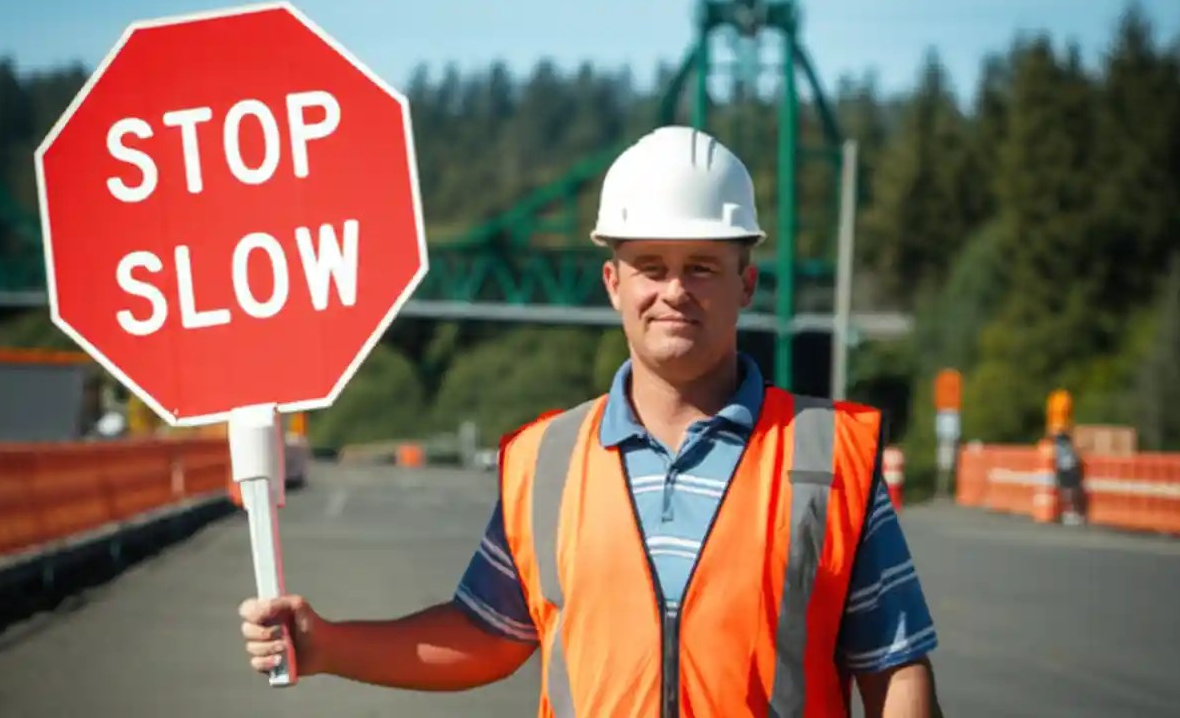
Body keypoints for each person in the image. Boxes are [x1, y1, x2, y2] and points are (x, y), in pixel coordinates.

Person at [239, 126, 942, 716]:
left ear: (747, 283)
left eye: (701, 266)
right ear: (613, 283)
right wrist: (326, 643)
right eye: (649, 265)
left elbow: (895, 667)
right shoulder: (546, 459)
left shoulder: (825, 454)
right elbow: (486, 633)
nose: (673, 291)